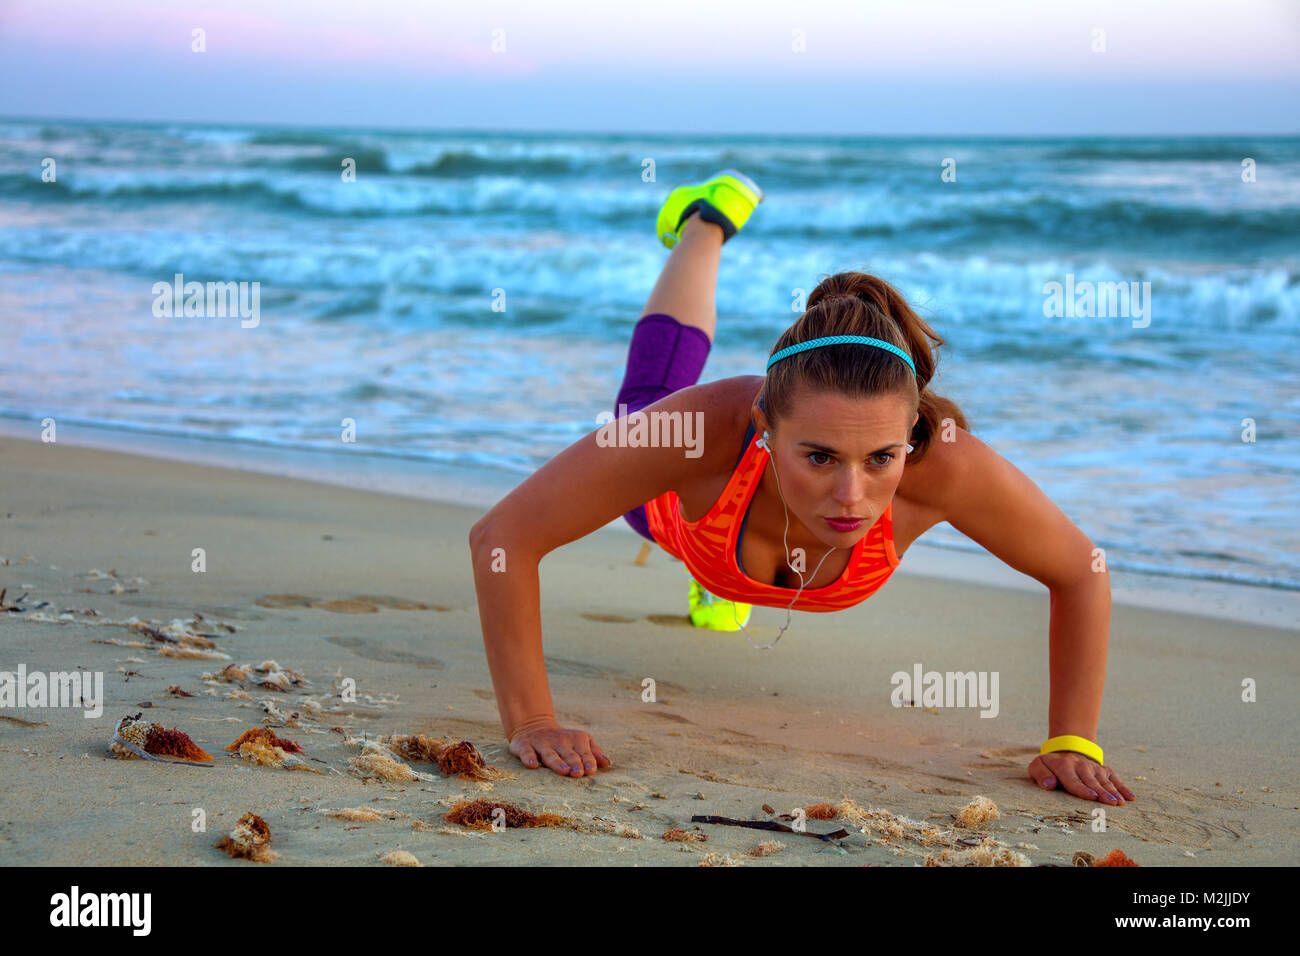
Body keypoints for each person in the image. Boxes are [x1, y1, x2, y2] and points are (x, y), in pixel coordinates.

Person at [469, 170, 1136, 808]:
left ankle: (725, 586)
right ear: (764, 428)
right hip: (680, 517)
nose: (852, 493)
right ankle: (705, 220)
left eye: (881, 457)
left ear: (909, 432)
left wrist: (1074, 742)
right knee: (647, 400)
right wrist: (532, 720)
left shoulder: (943, 464)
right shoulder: (699, 433)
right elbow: (503, 537)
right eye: (819, 457)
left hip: (736, 540)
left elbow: (1083, 571)